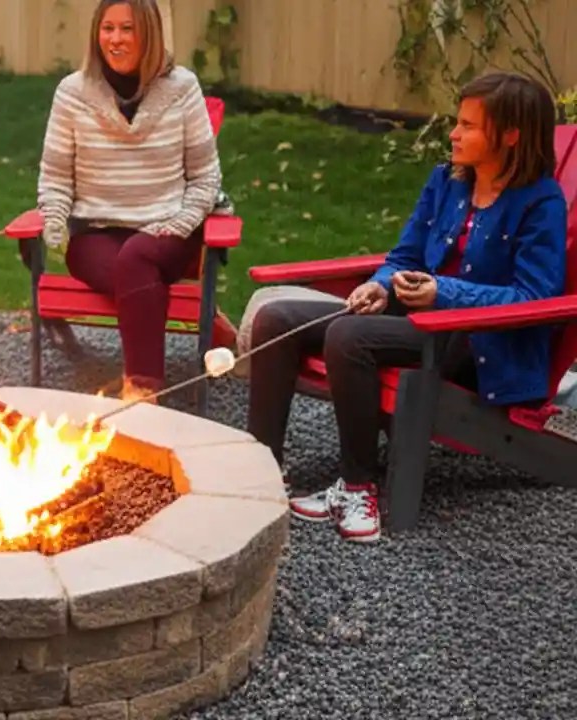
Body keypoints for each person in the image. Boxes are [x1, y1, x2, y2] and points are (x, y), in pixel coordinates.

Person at [246, 71, 568, 544]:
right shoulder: (447, 182)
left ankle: (357, 488)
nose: (454, 134)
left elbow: (534, 296)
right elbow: (404, 257)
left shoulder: (541, 204)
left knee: (348, 338)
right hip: (421, 320)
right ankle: (261, 470)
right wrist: (380, 285)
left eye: (468, 125)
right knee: (276, 320)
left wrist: (444, 293)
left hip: (481, 343)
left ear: (511, 134)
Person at [33, 0, 223, 400]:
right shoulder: (72, 93)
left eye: (127, 29)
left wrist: (181, 223)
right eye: (108, 28)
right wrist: (53, 218)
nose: (115, 39)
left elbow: (206, 179)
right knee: (134, 269)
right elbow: (55, 177)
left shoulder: (182, 88)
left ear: (149, 34)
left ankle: (140, 390)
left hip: (169, 232)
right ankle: (148, 390)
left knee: (138, 258)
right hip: (95, 237)